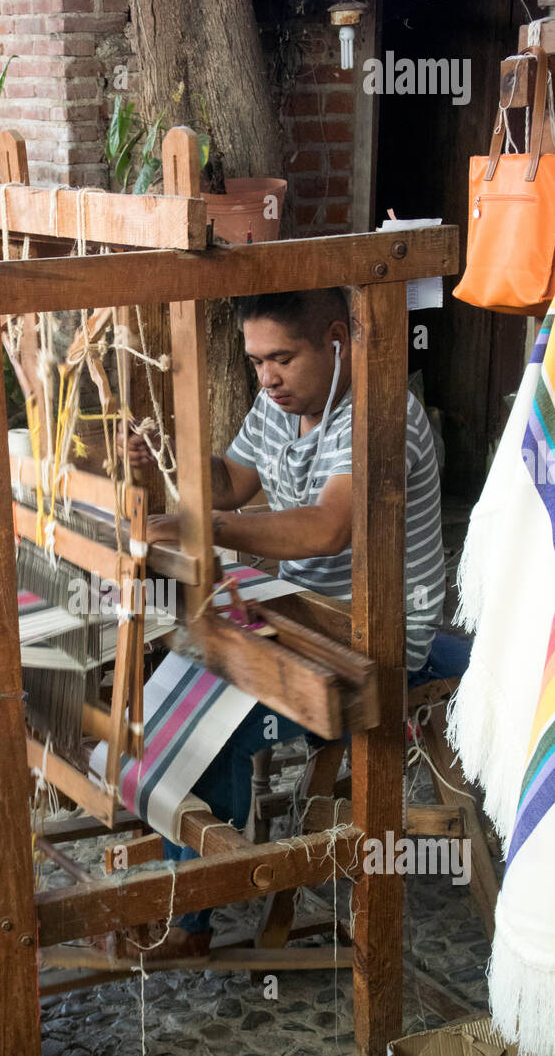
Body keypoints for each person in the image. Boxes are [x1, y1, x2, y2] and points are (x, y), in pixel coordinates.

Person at [115, 286, 447, 959]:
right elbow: (232, 481)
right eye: (258, 360)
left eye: (283, 359)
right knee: (180, 679)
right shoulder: (278, 407)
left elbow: (328, 527)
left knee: (221, 726)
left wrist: (201, 527)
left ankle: (194, 914)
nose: (268, 377)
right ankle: (195, 873)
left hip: (376, 636)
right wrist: (167, 460)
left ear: (335, 338)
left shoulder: (380, 416)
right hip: (304, 615)